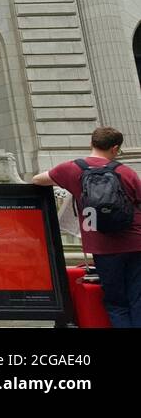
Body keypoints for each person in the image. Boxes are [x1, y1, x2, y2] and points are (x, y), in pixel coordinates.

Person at [33, 126, 141, 327]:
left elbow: (38, 180)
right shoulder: (126, 172)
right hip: (136, 243)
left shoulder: (72, 169)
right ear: (115, 148)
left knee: (116, 302)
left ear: (91, 143)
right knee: (137, 298)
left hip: (102, 247)